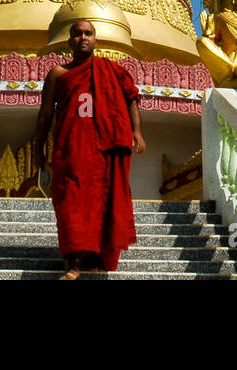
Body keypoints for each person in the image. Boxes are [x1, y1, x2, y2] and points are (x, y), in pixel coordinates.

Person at [32, 18, 146, 279]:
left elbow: (131, 99)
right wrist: (38, 149)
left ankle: (95, 257)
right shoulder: (58, 74)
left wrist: (136, 132)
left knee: (101, 205)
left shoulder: (112, 70)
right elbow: (45, 114)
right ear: (69, 40)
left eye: (88, 34)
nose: (83, 38)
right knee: (71, 205)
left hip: (103, 151)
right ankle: (71, 263)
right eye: (77, 34)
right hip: (71, 152)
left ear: (95, 40)